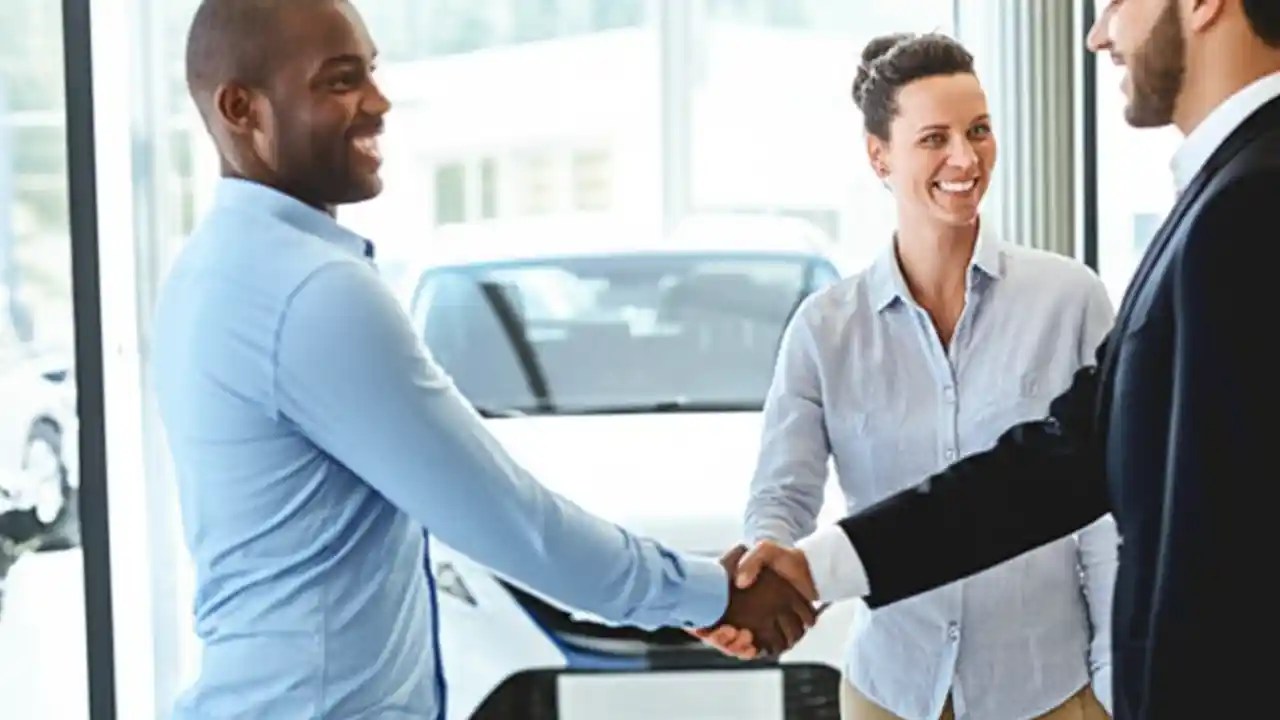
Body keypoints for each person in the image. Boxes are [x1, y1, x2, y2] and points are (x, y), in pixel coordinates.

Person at [152, 1, 813, 717]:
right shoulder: (315, 292)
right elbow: (512, 523)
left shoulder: (208, 271)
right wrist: (710, 591)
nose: (378, 102)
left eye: (371, 73)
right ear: (240, 108)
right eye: (340, 82)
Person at [709, 1, 1280, 717]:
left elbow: (1195, 526)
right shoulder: (1226, 192)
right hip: (898, 678)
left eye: (1117, 2)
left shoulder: (1250, 200)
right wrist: (807, 568)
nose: (1096, 32)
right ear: (878, 153)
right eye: (933, 137)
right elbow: (1066, 460)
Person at [725, 32, 1117, 720]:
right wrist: (767, 577)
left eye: (979, 131)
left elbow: (1106, 509)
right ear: (880, 156)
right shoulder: (826, 328)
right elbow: (783, 495)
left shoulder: (1070, 299)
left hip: (1047, 691)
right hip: (892, 691)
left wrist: (1114, 682)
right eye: (934, 138)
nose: (965, 158)